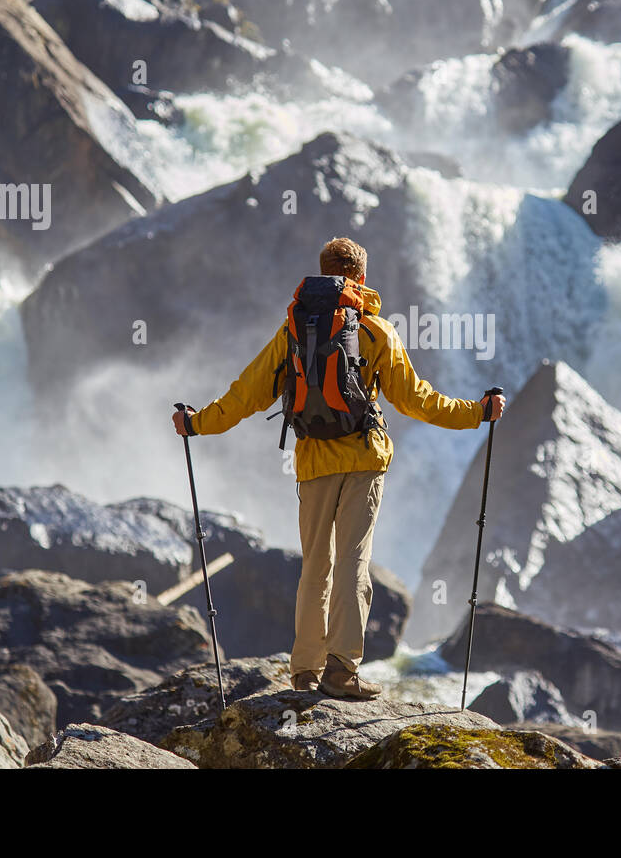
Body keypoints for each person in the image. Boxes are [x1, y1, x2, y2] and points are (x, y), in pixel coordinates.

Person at [172, 236, 505, 699]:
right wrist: (477, 412)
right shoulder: (376, 332)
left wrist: (195, 423)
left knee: (316, 567)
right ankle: (342, 671)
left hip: (310, 463)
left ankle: (305, 670)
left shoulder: (292, 332)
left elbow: (245, 394)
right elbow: (417, 401)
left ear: (322, 272)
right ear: (360, 279)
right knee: (354, 564)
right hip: (365, 461)